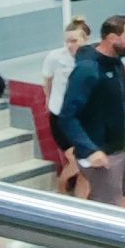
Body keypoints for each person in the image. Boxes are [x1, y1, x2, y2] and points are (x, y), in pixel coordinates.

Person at [57, 13, 125, 208]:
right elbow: (68, 116)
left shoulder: (115, 63)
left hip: (119, 148)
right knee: (108, 210)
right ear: (112, 38)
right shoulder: (88, 69)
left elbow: (116, 102)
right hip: (101, 153)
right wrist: (90, 150)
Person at [43, 16, 91, 193]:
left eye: (74, 41)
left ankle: (81, 205)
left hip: (83, 119)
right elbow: (47, 79)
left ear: (85, 40)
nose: (70, 45)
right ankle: (61, 189)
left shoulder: (93, 59)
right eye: (67, 41)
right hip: (61, 117)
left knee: (87, 168)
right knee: (77, 161)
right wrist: (48, 100)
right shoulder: (55, 57)